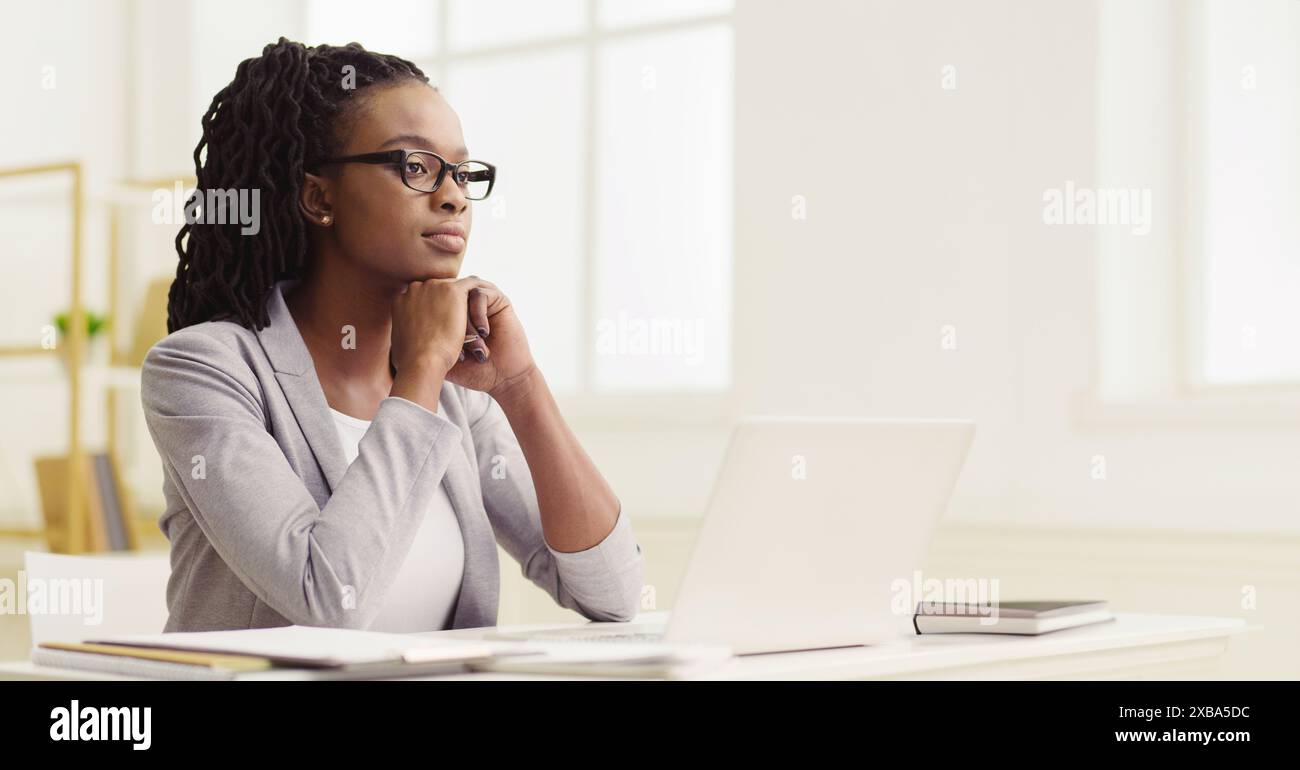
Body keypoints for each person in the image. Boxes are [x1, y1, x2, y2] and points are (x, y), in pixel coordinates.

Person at [139, 38, 644, 633]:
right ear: (318, 197)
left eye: (461, 172)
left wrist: (519, 385)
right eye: (416, 167)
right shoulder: (202, 371)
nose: (453, 195)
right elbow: (327, 597)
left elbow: (613, 595)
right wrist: (424, 368)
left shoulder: (460, 397)